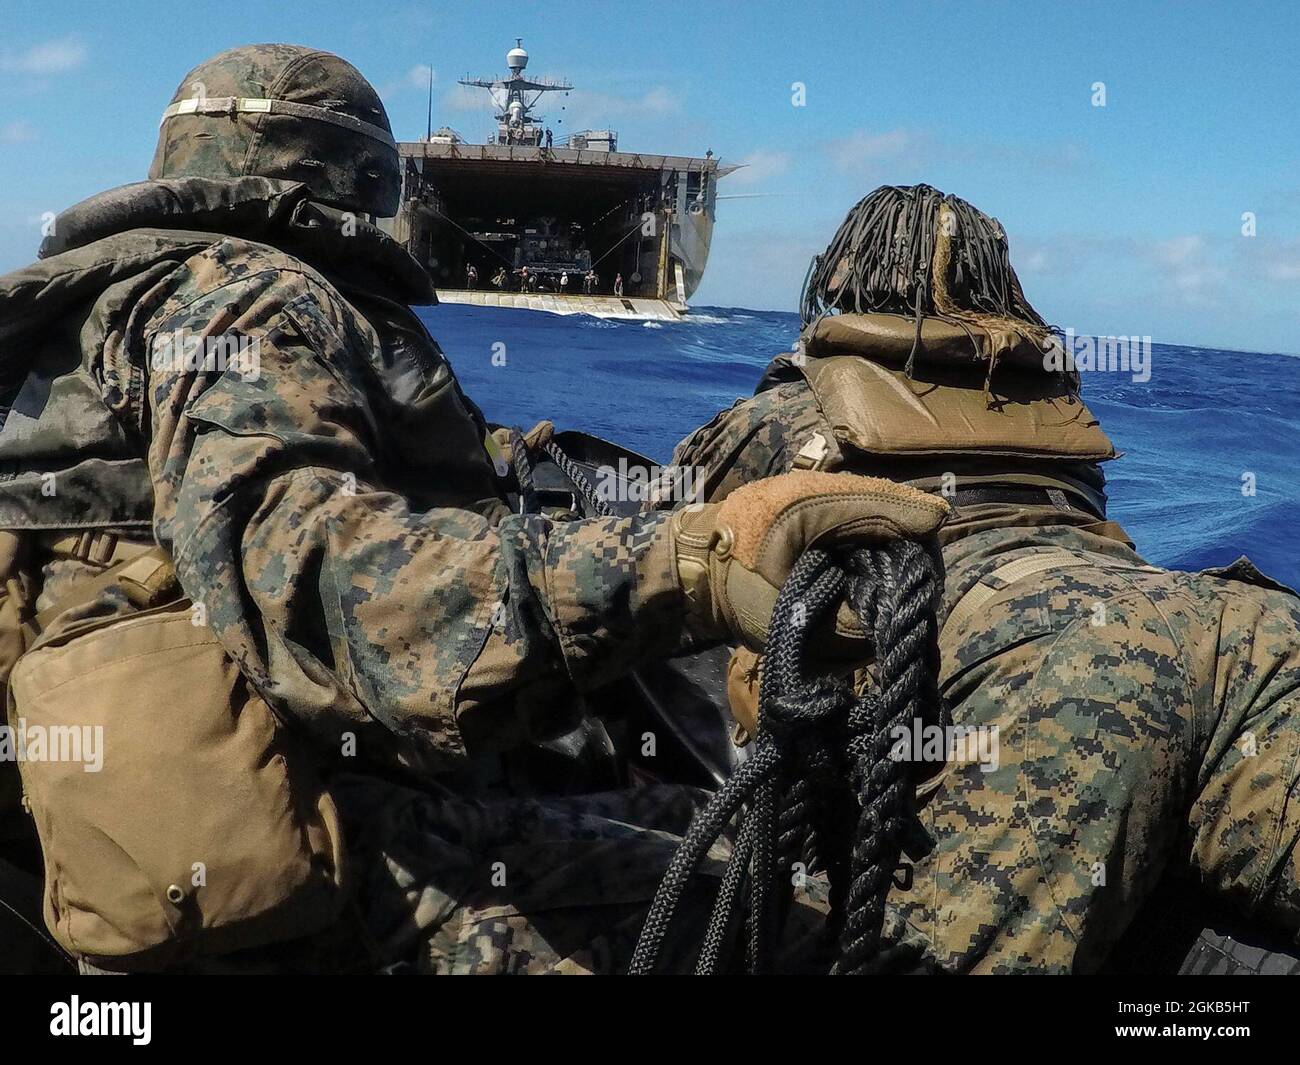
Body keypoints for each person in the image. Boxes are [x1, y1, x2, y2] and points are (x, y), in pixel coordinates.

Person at [0, 46, 944, 975]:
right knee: (781, 916)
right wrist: (688, 562)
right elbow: (330, 594)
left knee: (713, 825)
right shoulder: (249, 302)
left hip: (159, 809)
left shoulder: (113, 305)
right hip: (312, 843)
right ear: (361, 178)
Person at [664, 183, 1300, 974]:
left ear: (840, 274)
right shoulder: (1059, 412)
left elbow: (672, 553)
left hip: (1054, 679)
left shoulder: (786, 416)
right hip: (1246, 628)